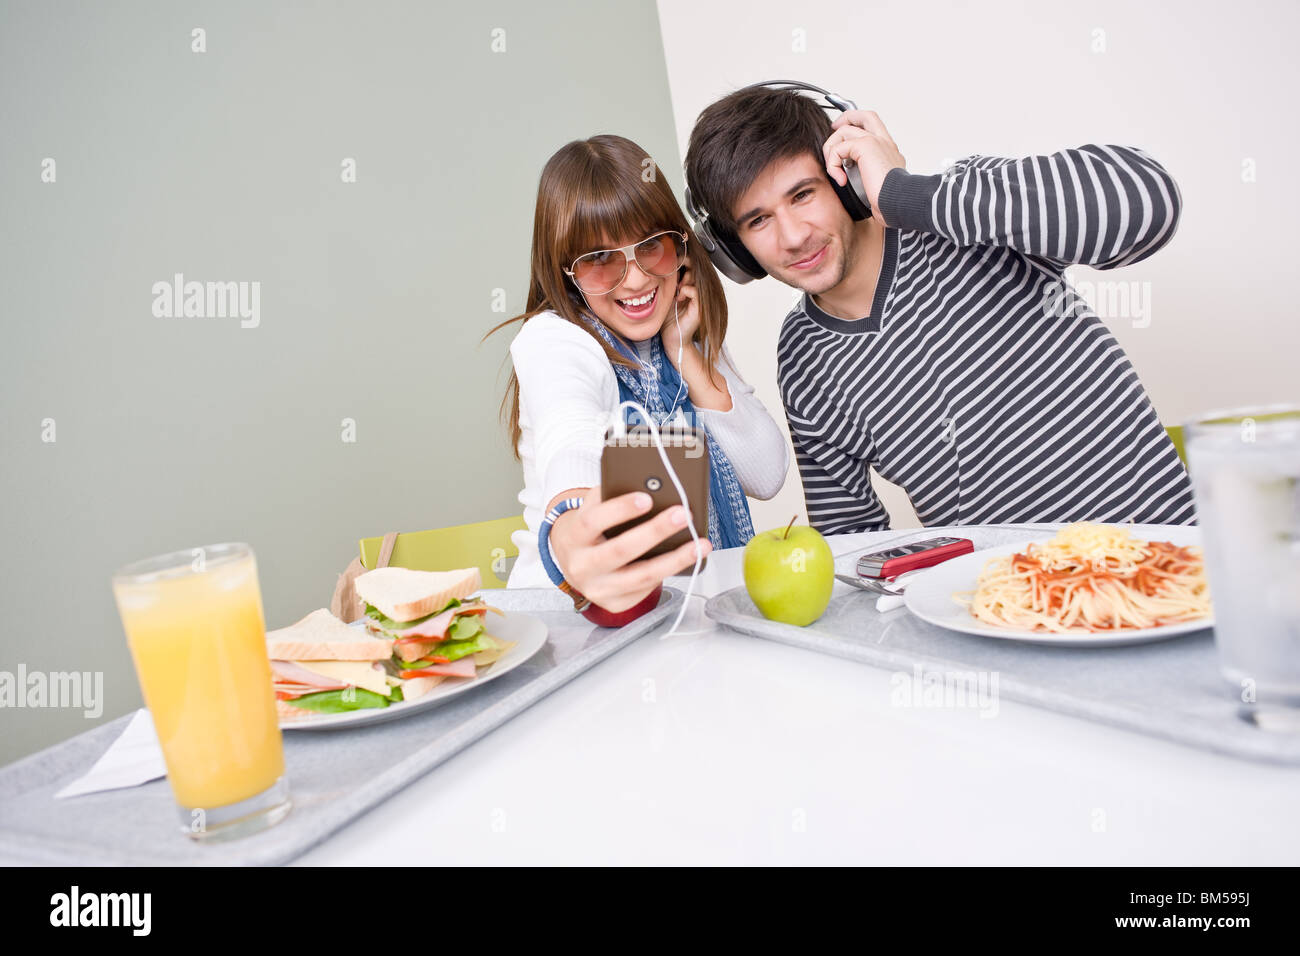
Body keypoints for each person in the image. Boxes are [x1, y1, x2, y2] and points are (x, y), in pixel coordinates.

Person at [684, 84, 1196, 534]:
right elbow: (850, 538)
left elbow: (1152, 202)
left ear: (847, 178)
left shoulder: (960, 209)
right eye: (758, 221)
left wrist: (909, 195)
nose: (793, 236)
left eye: (803, 194)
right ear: (735, 250)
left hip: (1169, 569)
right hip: (1013, 618)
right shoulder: (803, 356)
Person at [489, 134, 789, 613]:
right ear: (565, 271)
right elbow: (571, 436)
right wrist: (570, 527)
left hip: (683, 614)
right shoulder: (554, 340)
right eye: (599, 260)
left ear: (680, 245)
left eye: (652, 247)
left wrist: (685, 353)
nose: (636, 279)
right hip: (574, 624)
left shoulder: (684, 326)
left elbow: (767, 473)